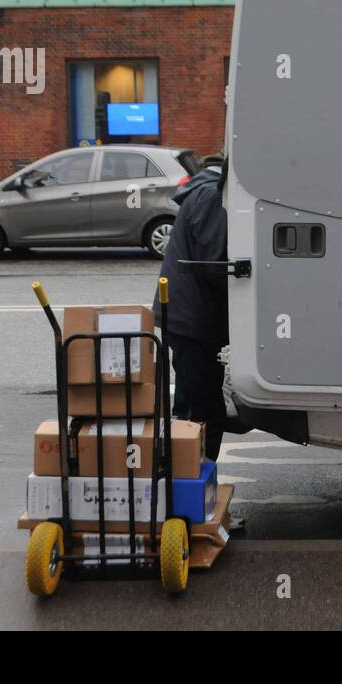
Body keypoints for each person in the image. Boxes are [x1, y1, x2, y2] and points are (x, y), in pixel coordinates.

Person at [153, 162, 228, 461]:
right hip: (194, 319)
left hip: (188, 316)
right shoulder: (211, 196)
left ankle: (185, 478)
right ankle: (192, 479)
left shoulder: (203, 192)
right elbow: (216, 262)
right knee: (202, 412)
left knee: (192, 407)